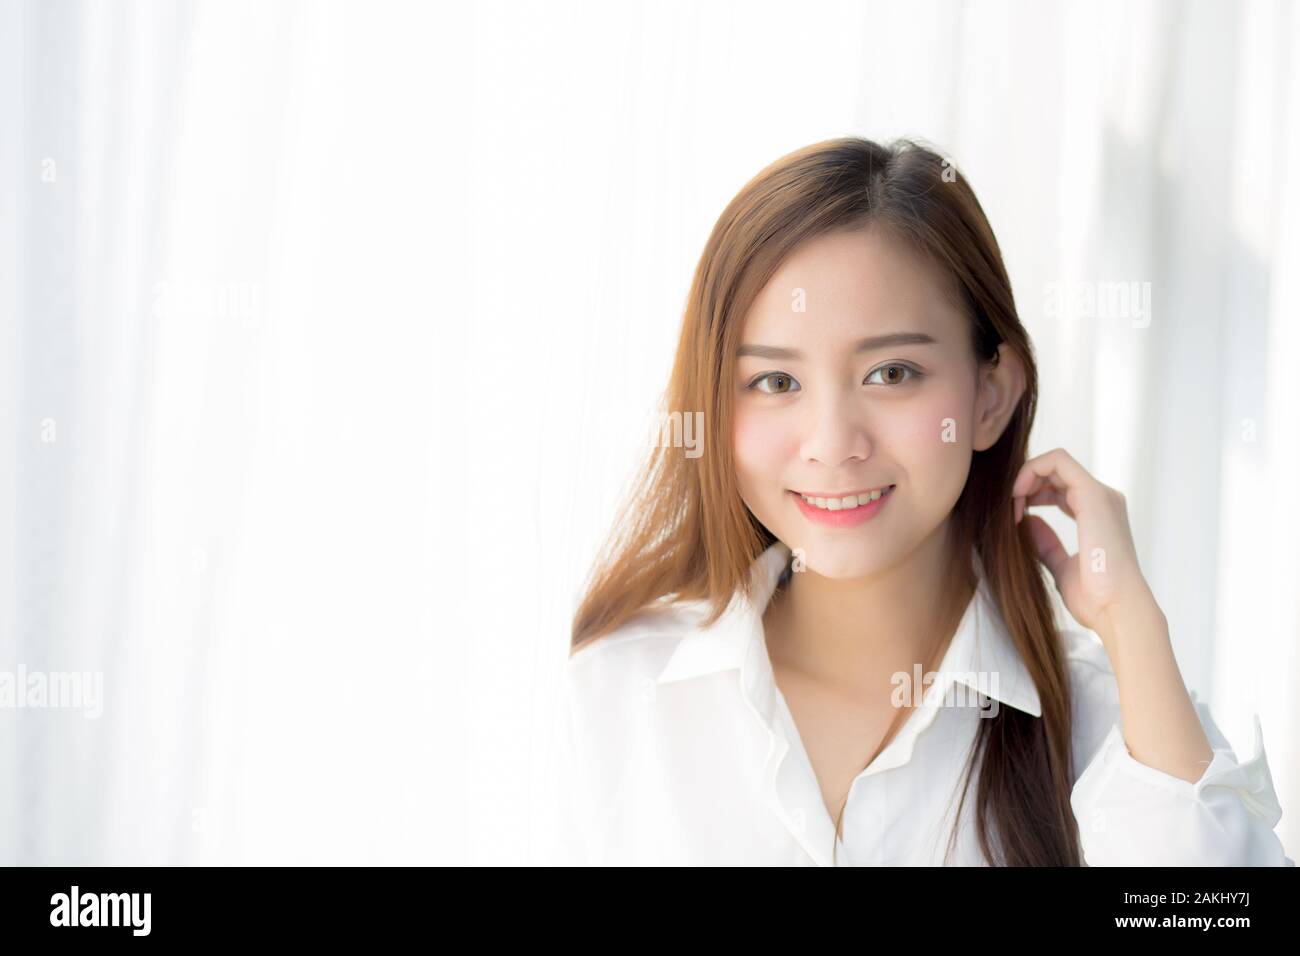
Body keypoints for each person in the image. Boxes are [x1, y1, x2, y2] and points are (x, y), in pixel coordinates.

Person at [546, 137, 1291, 866]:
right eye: (776, 383)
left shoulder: (1116, 728)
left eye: (892, 373)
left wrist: (1133, 621)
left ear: (990, 395)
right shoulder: (619, 690)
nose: (833, 444)